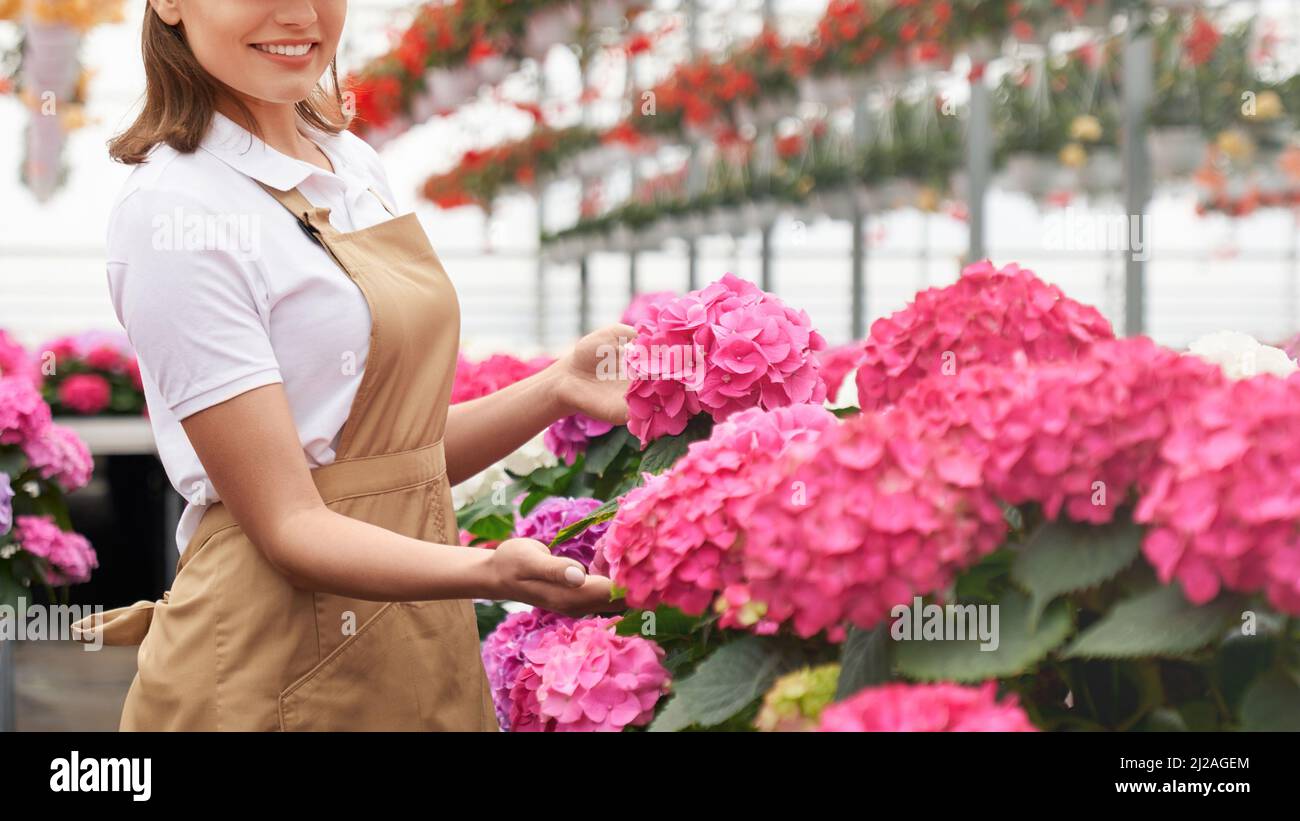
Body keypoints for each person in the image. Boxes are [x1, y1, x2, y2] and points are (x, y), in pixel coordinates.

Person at [74, 0, 629, 731]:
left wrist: (557, 387)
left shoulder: (347, 161)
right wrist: (491, 571)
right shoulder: (176, 209)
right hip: (269, 665)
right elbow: (289, 523)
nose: (299, 13)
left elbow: (387, 465)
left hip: (414, 644)